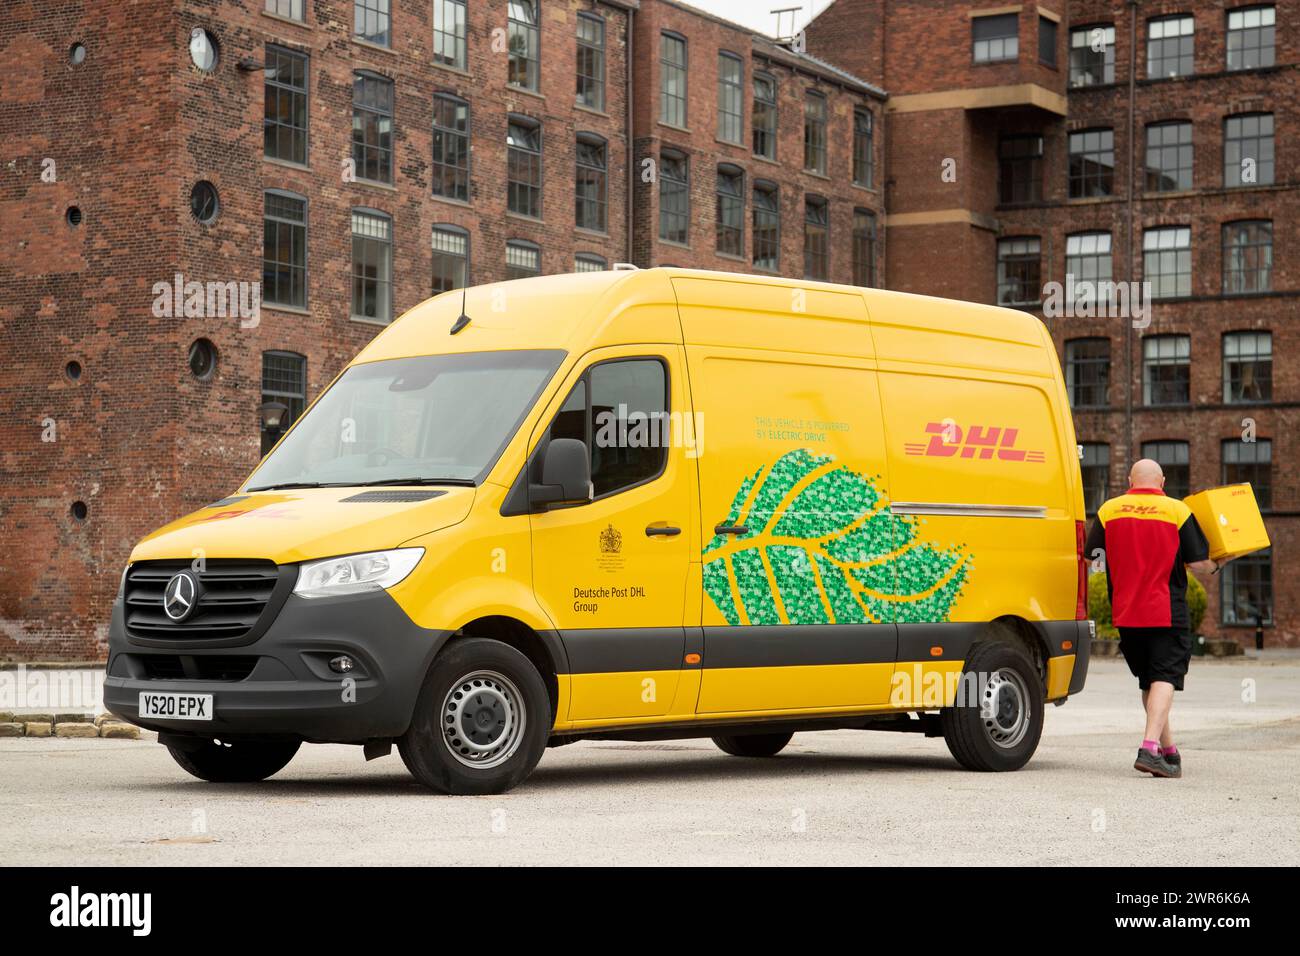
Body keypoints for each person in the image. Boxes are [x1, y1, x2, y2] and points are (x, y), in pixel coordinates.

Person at [1085, 459, 1225, 778]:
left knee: (1150, 680)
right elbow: (1199, 562)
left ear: (1129, 480)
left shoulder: (1109, 510)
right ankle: (1149, 748)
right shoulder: (1176, 511)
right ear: (1161, 482)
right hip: (1165, 610)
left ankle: (1169, 752)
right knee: (1166, 676)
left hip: (1126, 611)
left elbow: (1095, 557)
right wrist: (1219, 564)